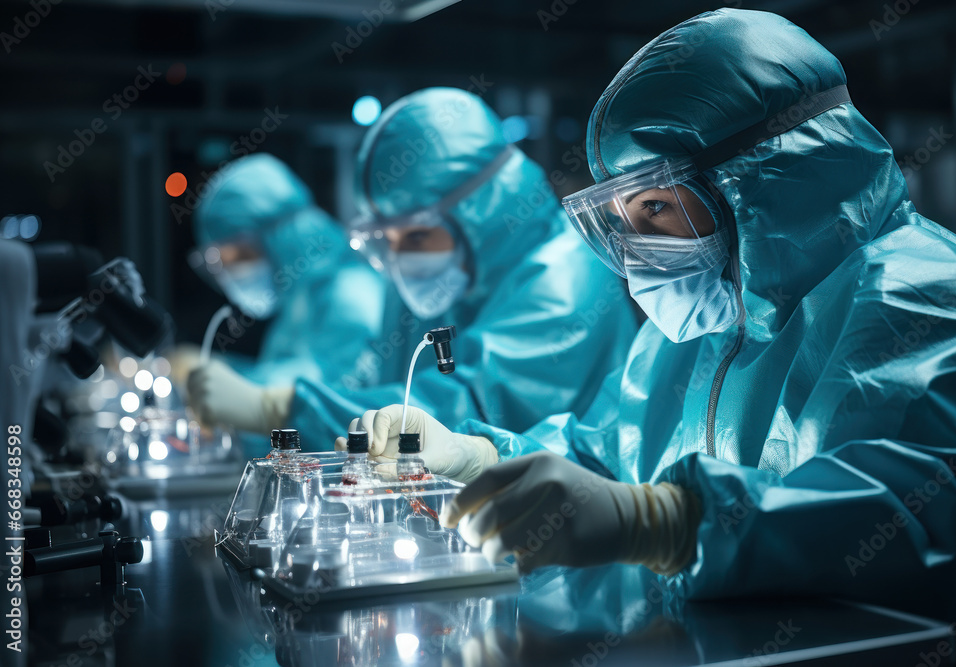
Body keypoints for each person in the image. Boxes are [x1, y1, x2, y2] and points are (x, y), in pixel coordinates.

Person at [356, 8, 956, 641]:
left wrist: (666, 522)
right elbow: (607, 459)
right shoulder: (696, 327)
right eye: (620, 220)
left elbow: (920, 522)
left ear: (755, 179)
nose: (635, 251)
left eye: (654, 207)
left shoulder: (924, 294)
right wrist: (482, 459)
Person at [198, 88, 640, 479]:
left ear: (481, 208)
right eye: (384, 240)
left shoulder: (564, 278)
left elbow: (464, 407)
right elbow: (375, 383)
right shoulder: (441, 270)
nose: (399, 258)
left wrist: (279, 408)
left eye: (415, 234)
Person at [184, 154, 386, 433]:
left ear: (284, 237)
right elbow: (286, 373)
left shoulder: (351, 294)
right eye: (219, 262)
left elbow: (338, 398)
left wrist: (255, 402)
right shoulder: (299, 301)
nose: (231, 273)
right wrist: (218, 375)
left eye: (240, 254)